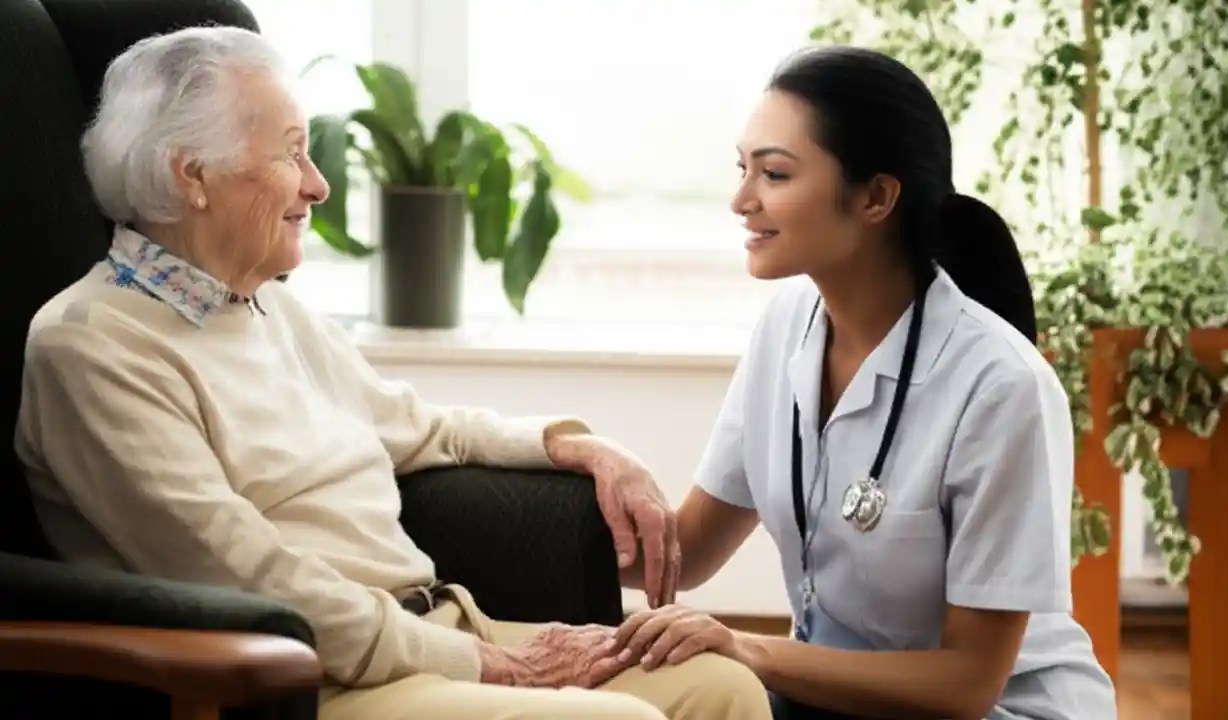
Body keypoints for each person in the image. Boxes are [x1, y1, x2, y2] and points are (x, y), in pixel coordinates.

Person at [13, 25, 772, 720]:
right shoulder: (92, 349)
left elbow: (423, 428)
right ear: (194, 176)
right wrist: (483, 663)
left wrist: (581, 446)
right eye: (290, 152)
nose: (318, 184)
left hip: (430, 633)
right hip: (306, 678)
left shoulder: (269, 310)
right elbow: (240, 572)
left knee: (722, 688)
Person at [609, 46, 1118, 719]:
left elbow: (967, 686)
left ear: (877, 196)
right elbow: (686, 552)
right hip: (828, 700)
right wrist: (580, 463)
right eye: (743, 169)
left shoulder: (1001, 386)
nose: (741, 200)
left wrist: (744, 647)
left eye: (776, 174)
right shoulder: (784, 329)